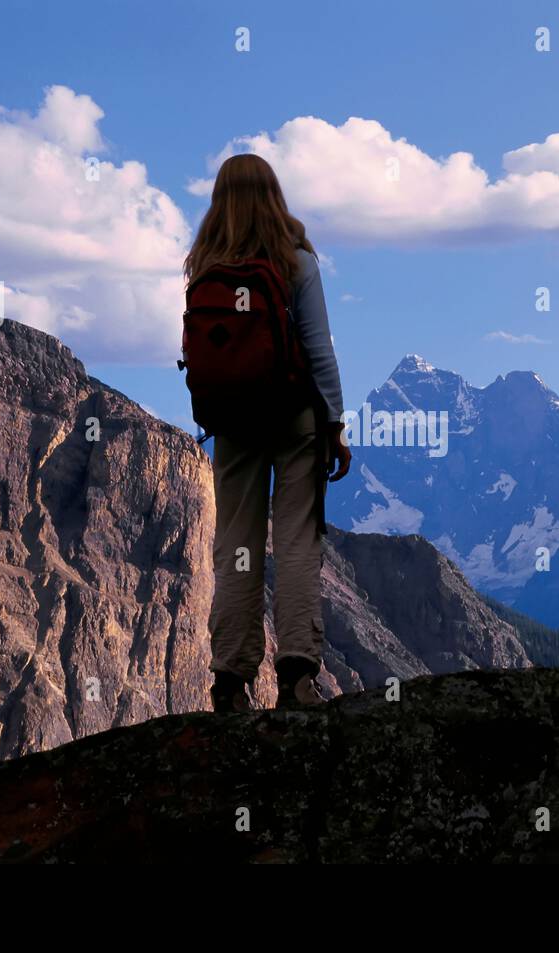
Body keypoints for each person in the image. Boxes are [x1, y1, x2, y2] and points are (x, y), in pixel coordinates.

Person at [182, 154, 351, 713]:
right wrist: (336, 422)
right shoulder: (296, 261)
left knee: (236, 546)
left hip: (231, 421)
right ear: (275, 196)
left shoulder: (204, 266)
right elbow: (320, 348)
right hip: (293, 414)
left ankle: (230, 681)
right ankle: (297, 676)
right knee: (298, 538)